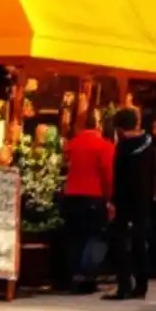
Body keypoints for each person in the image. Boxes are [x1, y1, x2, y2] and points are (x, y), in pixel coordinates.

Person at [106, 106, 156, 301]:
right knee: (140, 243)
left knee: (119, 242)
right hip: (143, 201)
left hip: (125, 201)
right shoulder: (149, 144)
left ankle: (124, 285)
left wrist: (113, 202)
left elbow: (119, 178)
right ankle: (142, 285)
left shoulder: (124, 147)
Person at [61, 108, 114, 293]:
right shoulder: (105, 146)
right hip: (94, 195)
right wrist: (110, 198)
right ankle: (85, 274)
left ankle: (73, 273)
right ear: (99, 124)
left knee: (75, 237)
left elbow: (65, 166)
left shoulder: (72, 144)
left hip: (71, 194)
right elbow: (108, 175)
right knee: (95, 236)